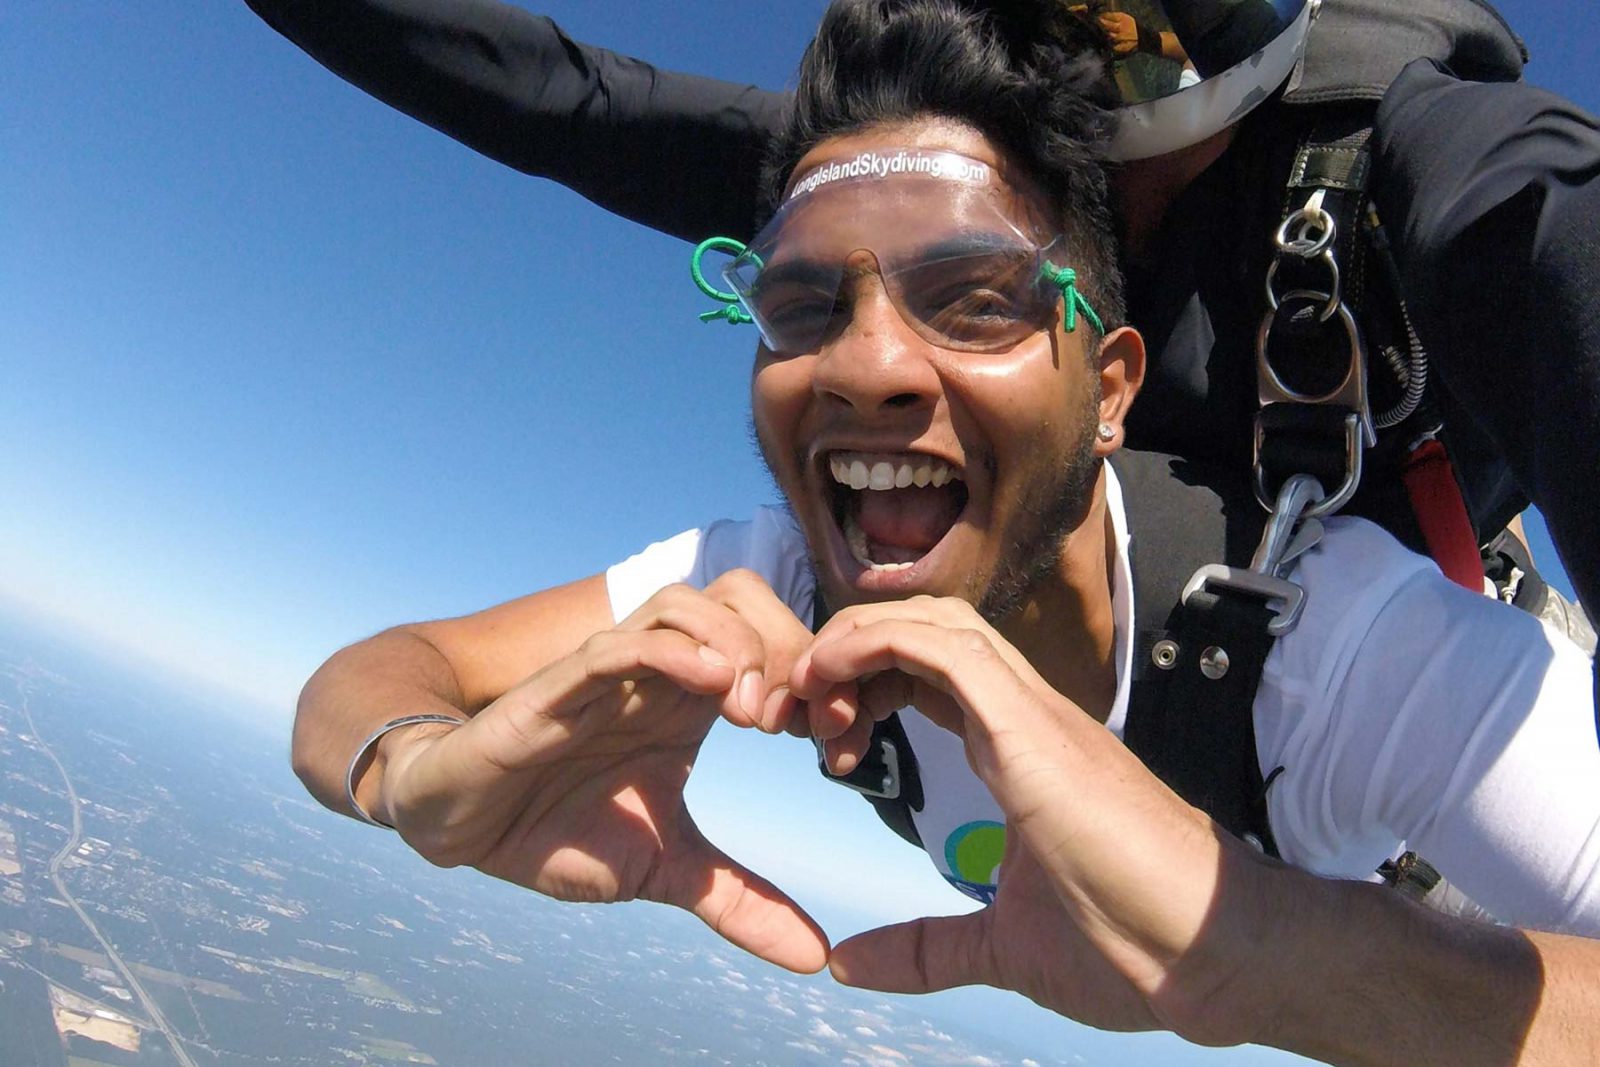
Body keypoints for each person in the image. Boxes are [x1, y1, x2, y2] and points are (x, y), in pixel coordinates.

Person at [293, 1, 1600, 1060]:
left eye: (975, 301)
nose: (869, 365)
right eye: (800, 309)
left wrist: (1266, 956)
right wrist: (408, 775)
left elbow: (1553, 241)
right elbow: (373, 683)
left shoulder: (1351, 670)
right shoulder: (781, 585)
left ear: (1116, 388)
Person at [241, 0, 1600, 634]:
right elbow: (570, 100)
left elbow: (1559, 241)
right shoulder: (922, 177)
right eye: (1062, 14)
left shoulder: (1416, 153)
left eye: (1143, 17)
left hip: (1404, 624)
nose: (1111, 56)